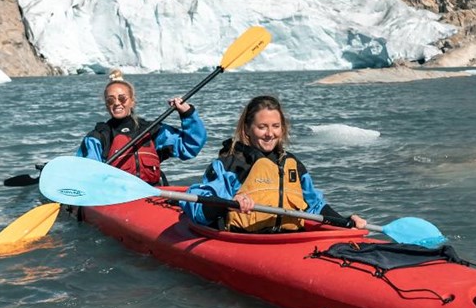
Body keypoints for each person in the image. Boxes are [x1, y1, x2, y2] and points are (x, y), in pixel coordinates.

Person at [181, 95, 366, 232]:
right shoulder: (230, 164)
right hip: (244, 241)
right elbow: (196, 208)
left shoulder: (293, 165)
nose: (270, 134)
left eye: (276, 126)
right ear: (247, 129)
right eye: (262, 127)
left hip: (289, 240)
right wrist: (228, 203)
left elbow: (315, 206)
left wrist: (345, 221)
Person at [75, 70, 207, 185]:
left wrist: (187, 113)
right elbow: (87, 175)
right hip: (116, 198)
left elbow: (190, 146)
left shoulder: (152, 130)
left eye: (122, 98)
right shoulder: (98, 137)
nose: (117, 103)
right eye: (110, 100)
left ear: (132, 101)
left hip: (152, 194)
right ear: (106, 104)